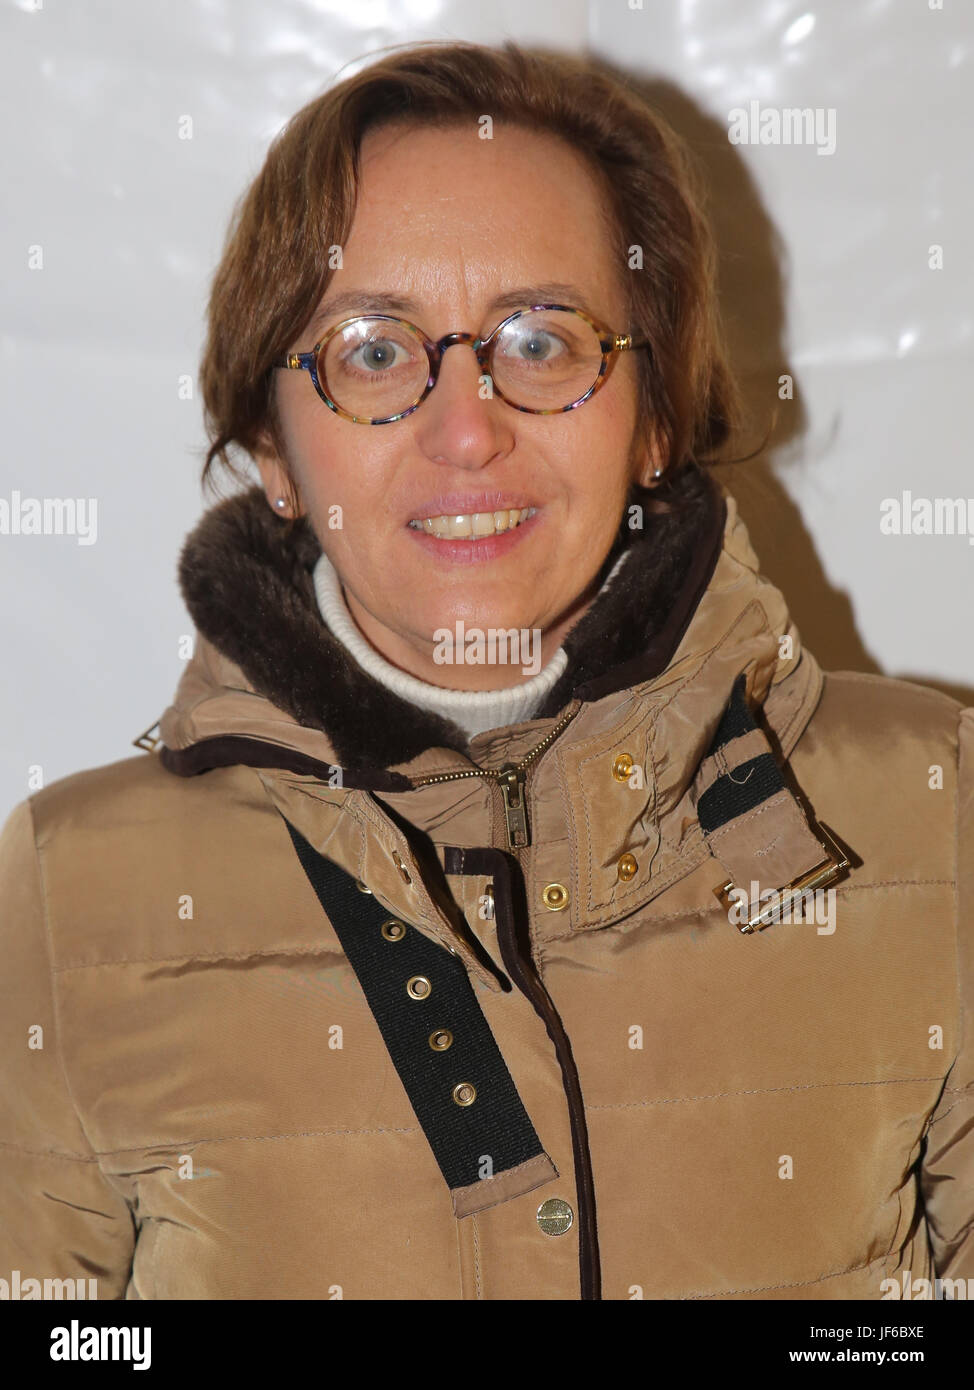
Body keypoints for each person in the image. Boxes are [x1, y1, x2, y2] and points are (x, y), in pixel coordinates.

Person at [1, 38, 971, 1303]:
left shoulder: (931, 815)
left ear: (656, 415)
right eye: (371, 351)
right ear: (274, 451)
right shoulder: (70, 900)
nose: (467, 430)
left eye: (539, 339)